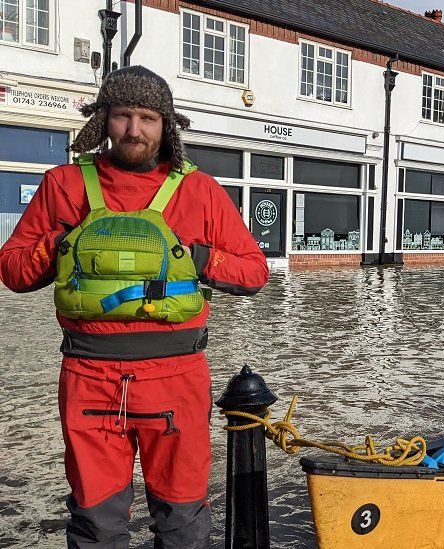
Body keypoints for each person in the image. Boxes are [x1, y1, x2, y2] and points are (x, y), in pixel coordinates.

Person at [0, 66, 269, 547]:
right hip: (89, 376)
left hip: (177, 378)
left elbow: (254, 272)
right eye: (123, 115)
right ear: (103, 119)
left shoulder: (200, 189)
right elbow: (14, 270)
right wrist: (61, 246)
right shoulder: (63, 183)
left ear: (167, 125)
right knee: (95, 522)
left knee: (182, 519)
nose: (134, 130)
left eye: (148, 117)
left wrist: (197, 258)